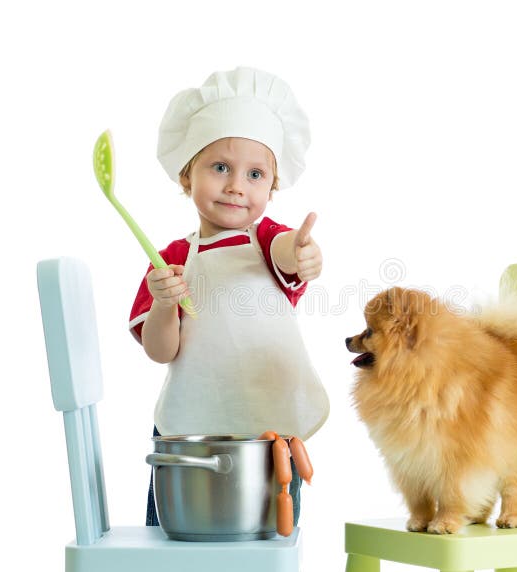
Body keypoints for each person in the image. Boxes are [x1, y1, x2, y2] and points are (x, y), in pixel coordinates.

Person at [128, 67, 330, 526]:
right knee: (178, 541)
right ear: (187, 176)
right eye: (220, 167)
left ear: (271, 188)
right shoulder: (172, 259)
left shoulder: (267, 240)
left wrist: (303, 254)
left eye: (255, 174)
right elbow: (162, 352)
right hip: (191, 431)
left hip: (267, 430)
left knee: (265, 534)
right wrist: (164, 303)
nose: (237, 185)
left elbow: (286, 252)